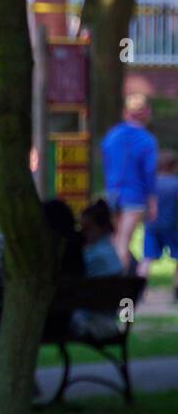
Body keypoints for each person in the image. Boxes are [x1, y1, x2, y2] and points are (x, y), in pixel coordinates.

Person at [100, 92, 159, 268]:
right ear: (146, 113)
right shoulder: (147, 140)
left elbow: (105, 160)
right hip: (134, 197)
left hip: (112, 193)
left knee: (114, 240)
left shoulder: (112, 135)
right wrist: (152, 201)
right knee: (123, 244)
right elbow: (149, 174)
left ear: (126, 112)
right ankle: (119, 289)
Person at [74, 200, 125, 340]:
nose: (83, 234)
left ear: (103, 228)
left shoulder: (93, 257)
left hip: (90, 322)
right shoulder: (111, 254)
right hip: (106, 319)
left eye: (87, 229)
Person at [142, 150, 178, 284]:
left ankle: (138, 290)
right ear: (173, 166)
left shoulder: (150, 185)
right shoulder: (175, 183)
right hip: (172, 227)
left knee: (146, 259)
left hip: (151, 226)